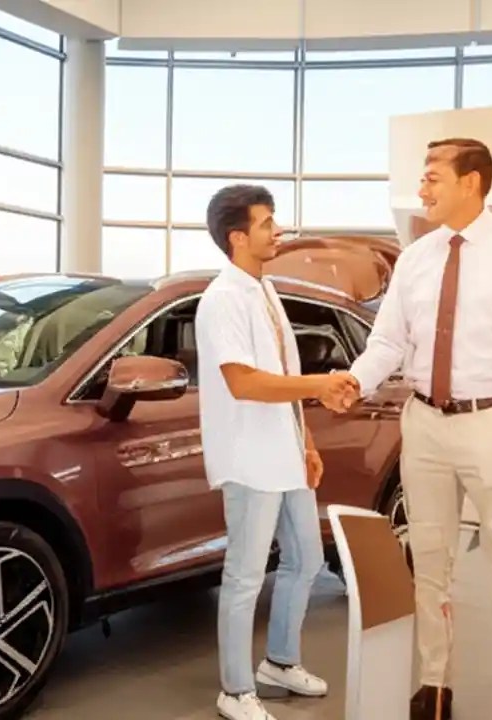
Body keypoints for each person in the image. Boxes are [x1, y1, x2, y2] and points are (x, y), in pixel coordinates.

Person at [333, 139, 492, 720]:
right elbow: (389, 340)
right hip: (426, 423)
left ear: (472, 182)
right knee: (430, 555)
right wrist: (356, 381)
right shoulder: (417, 256)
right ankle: (436, 686)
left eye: (433, 177)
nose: (422, 189)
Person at [195, 184, 358, 720]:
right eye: (267, 223)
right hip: (248, 460)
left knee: (308, 558)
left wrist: (306, 442)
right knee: (244, 577)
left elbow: (283, 375)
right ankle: (235, 690)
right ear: (238, 237)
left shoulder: (264, 291)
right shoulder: (222, 299)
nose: (277, 230)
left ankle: (279, 663)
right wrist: (318, 386)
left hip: (284, 455)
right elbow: (242, 383)